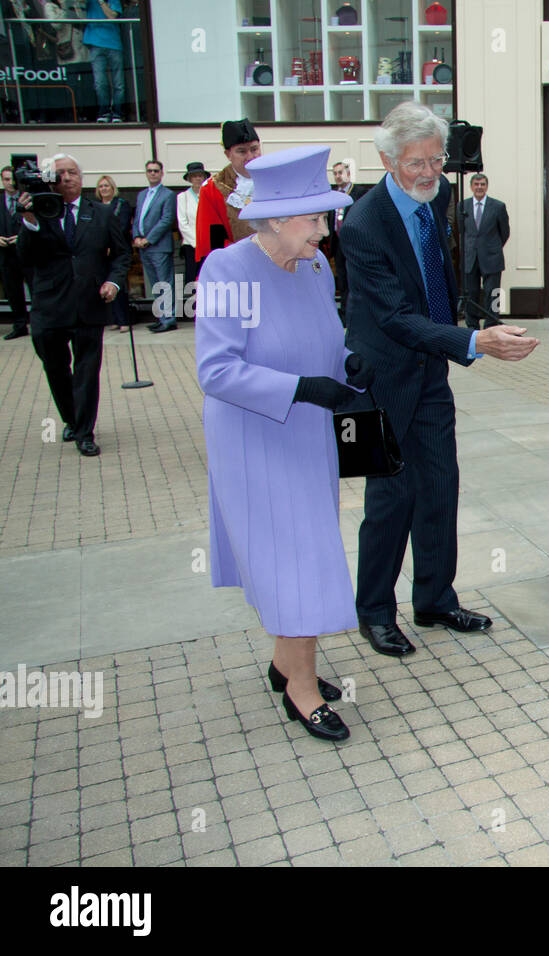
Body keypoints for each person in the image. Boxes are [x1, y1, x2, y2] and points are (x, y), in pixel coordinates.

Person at [341, 102, 539, 659]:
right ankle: (375, 612)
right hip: (378, 382)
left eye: (436, 159)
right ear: (385, 160)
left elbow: (436, 279)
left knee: (439, 489)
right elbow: (395, 317)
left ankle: (434, 599)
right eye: (415, 164)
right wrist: (475, 341)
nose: (429, 173)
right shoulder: (363, 225)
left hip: (428, 373)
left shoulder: (440, 198)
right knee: (389, 501)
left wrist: (469, 325)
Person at [195, 144, 369, 743]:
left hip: (307, 432)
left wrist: (350, 363)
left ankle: (284, 662)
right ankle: (301, 685)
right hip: (256, 440)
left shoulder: (314, 267)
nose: (325, 231)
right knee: (299, 559)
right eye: (315, 219)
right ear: (273, 221)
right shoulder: (227, 269)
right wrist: (303, 386)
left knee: (301, 553)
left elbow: (325, 340)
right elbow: (216, 371)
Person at [15, 153, 130, 457]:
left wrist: (113, 282)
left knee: (87, 371)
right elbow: (25, 258)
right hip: (50, 305)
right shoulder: (39, 210)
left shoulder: (102, 214)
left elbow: (121, 255)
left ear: (81, 177)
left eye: (72, 172)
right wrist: (29, 221)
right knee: (55, 367)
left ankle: (84, 432)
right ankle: (70, 417)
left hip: (88, 304)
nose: (66, 178)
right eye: (59, 174)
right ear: (51, 180)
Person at [195, 118, 262, 270]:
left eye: (254, 149)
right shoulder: (213, 189)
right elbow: (213, 242)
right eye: (241, 151)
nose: (250, 156)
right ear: (228, 154)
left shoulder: (276, 178)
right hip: (238, 268)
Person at [458, 172, 510, 328]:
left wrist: (492, 246)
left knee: (493, 293)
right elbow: (462, 230)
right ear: (471, 187)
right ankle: (472, 324)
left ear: (487, 186)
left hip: (492, 257)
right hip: (470, 257)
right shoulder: (463, 206)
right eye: (476, 184)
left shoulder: (498, 206)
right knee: (471, 293)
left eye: (482, 184)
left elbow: (505, 232)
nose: (479, 187)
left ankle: (492, 323)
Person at [133, 159, 178, 333]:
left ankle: (170, 318)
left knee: (165, 284)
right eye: (150, 171)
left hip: (159, 246)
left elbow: (166, 220)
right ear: (146, 173)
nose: (153, 173)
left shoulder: (168, 195)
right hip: (143, 247)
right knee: (155, 286)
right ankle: (161, 317)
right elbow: (137, 217)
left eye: (156, 171)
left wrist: (149, 239)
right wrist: (137, 236)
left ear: (161, 173)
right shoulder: (141, 195)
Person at [323, 160, 368, 316]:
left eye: (340, 173)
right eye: (335, 174)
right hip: (338, 243)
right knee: (342, 278)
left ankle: (357, 311)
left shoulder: (359, 193)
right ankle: (345, 311)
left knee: (354, 277)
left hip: (354, 243)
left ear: (348, 174)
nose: (338, 176)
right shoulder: (333, 196)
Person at [94, 175, 133, 331]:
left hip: (118, 250)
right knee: (104, 286)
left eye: (106, 186)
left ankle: (124, 320)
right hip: (102, 253)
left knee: (119, 286)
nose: (104, 189)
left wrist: (110, 243)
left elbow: (122, 227)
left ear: (112, 188)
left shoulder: (121, 205)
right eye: (101, 186)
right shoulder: (95, 207)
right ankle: (113, 319)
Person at [1, 166, 32, 340]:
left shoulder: (27, 199)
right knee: (13, 293)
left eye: (12, 179)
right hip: (6, 255)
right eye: (6, 179)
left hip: (26, 254)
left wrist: (21, 237)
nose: (10, 183)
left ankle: (38, 324)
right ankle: (20, 325)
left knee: (35, 290)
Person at [83, 0, 126, 123]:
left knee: (118, 83)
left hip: (114, 44)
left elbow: (112, 16)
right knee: (100, 82)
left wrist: (101, 2)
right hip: (95, 43)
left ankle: (118, 113)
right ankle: (104, 112)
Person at [175, 162, 207, 297]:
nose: (198, 179)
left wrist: (206, 242)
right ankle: (194, 308)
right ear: (189, 179)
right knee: (192, 278)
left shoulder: (209, 194)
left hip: (207, 244)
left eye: (200, 176)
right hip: (191, 245)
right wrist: (196, 242)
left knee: (206, 276)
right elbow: (182, 223)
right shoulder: (182, 197)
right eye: (194, 176)